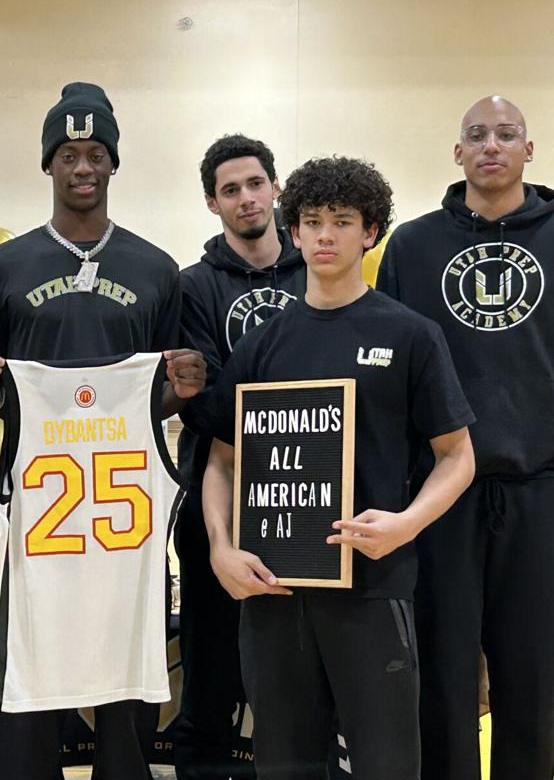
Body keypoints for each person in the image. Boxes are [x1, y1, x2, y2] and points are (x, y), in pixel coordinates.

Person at [0, 81, 205, 780]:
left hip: (123, 516)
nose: (83, 166)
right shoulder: (2, 269)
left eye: (96, 152)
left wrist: (178, 391)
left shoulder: (157, 269)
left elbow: (156, 400)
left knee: (126, 687)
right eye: (68, 153)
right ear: (49, 164)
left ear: (114, 163)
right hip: (38, 511)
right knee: (27, 687)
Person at [202, 156, 475, 780]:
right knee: (285, 763)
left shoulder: (410, 336)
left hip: (374, 590)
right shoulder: (262, 344)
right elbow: (220, 459)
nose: (325, 235)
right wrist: (220, 547)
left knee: (384, 764)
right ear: (293, 230)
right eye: (312, 221)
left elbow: (457, 457)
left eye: (343, 221)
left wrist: (407, 523)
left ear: (370, 231)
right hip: (275, 592)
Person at [377, 95, 554, 780]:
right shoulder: (414, 247)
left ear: (528, 152)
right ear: (456, 153)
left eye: (507, 135)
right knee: (444, 676)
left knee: (533, 678)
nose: (491, 146)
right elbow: (392, 371)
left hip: (538, 487)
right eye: (476, 135)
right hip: (441, 496)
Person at [175, 134, 304, 780]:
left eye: (256, 183)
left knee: (300, 675)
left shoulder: (319, 267)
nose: (246, 198)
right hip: (216, 500)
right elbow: (201, 401)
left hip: (309, 499)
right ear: (211, 203)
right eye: (230, 189)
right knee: (211, 672)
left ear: (276, 188)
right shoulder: (192, 286)